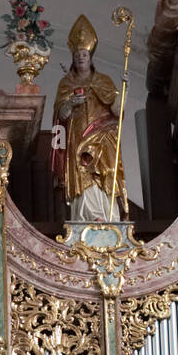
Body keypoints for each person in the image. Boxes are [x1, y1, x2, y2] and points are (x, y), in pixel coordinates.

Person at [51, 15, 126, 222]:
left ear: (90, 56)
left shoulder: (104, 81)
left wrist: (123, 94)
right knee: (82, 170)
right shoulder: (66, 83)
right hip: (77, 137)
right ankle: (84, 217)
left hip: (103, 136)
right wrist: (71, 103)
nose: (81, 57)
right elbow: (60, 115)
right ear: (73, 58)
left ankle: (107, 217)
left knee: (105, 171)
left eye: (84, 54)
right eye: (77, 55)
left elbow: (117, 111)